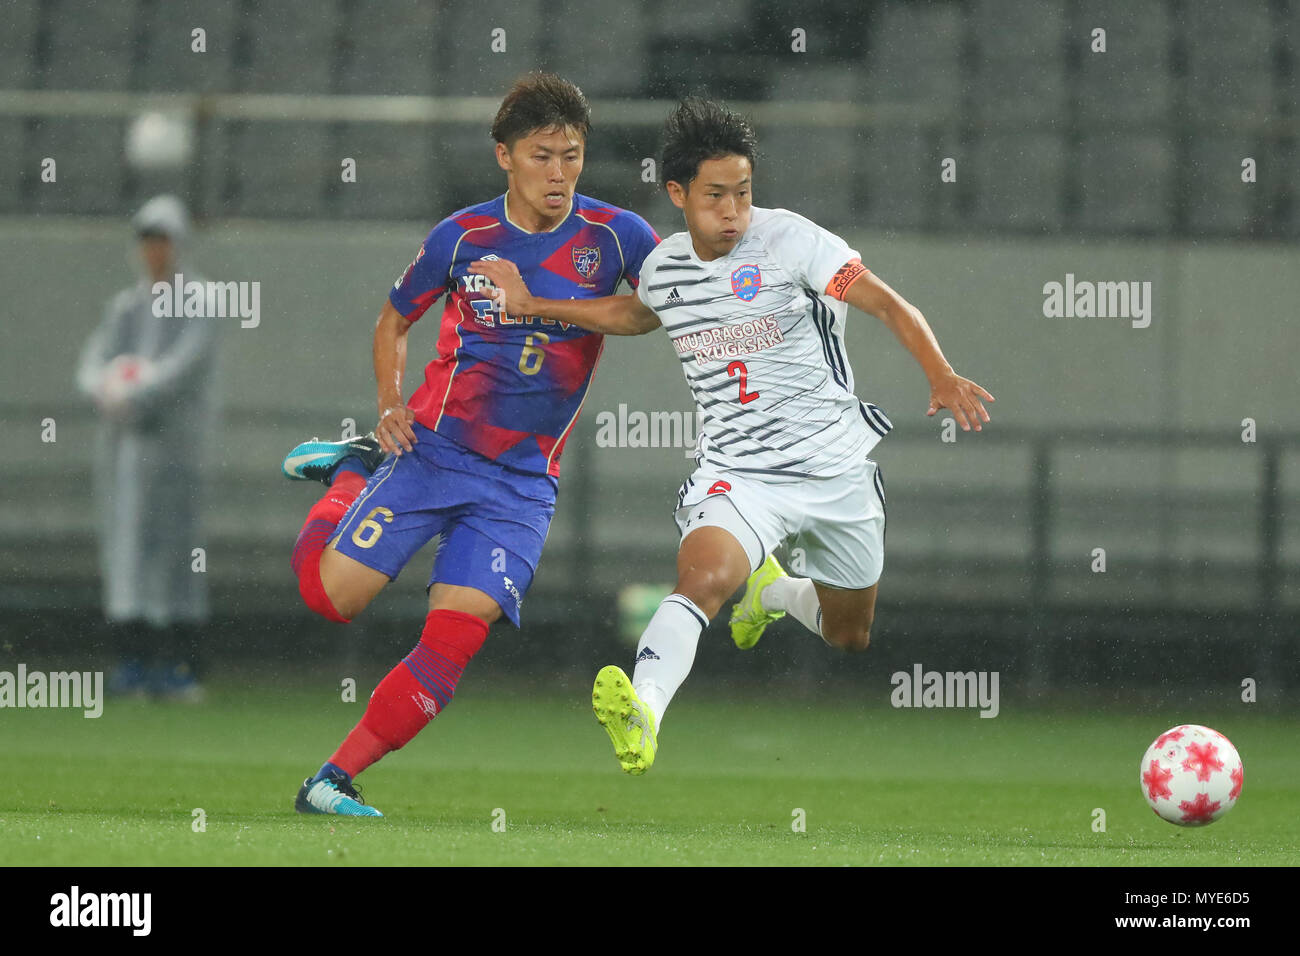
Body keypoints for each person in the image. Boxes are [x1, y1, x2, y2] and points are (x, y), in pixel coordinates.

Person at [470, 96, 995, 775]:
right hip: (740, 475)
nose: (732, 213)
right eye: (715, 196)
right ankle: (645, 713)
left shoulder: (795, 243)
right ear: (677, 193)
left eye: (743, 194)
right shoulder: (665, 270)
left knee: (850, 634)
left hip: (836, 469)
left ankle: (773, 591)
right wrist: (534, 304)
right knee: (702, 579)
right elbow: (634, 314)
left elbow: (887, 302)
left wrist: (941, 374)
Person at [282, 73, 660, 815]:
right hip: (434, 453)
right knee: (331, 599)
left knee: (454, 641)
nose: (559, 173)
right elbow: (395, 320)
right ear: (504, 157)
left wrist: (537, 303)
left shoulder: (618, 236)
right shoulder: (462, 237)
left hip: (521, 485)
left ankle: (331, 779)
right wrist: (389, 403)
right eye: (542, 156)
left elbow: (648, 314)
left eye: (573, 156)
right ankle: (353, 469)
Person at [75, 194, 219, 700]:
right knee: (128, 549)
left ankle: (180, 664)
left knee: (176, 553)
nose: (154, 252)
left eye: (162, 241)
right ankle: (134, 662)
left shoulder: (201, 300)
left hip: (177, 450)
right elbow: (94, 362)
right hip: (125, 450)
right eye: (147, 242)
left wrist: (134, 389)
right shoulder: (127, 306)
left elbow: (183, 367)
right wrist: (105, 387)